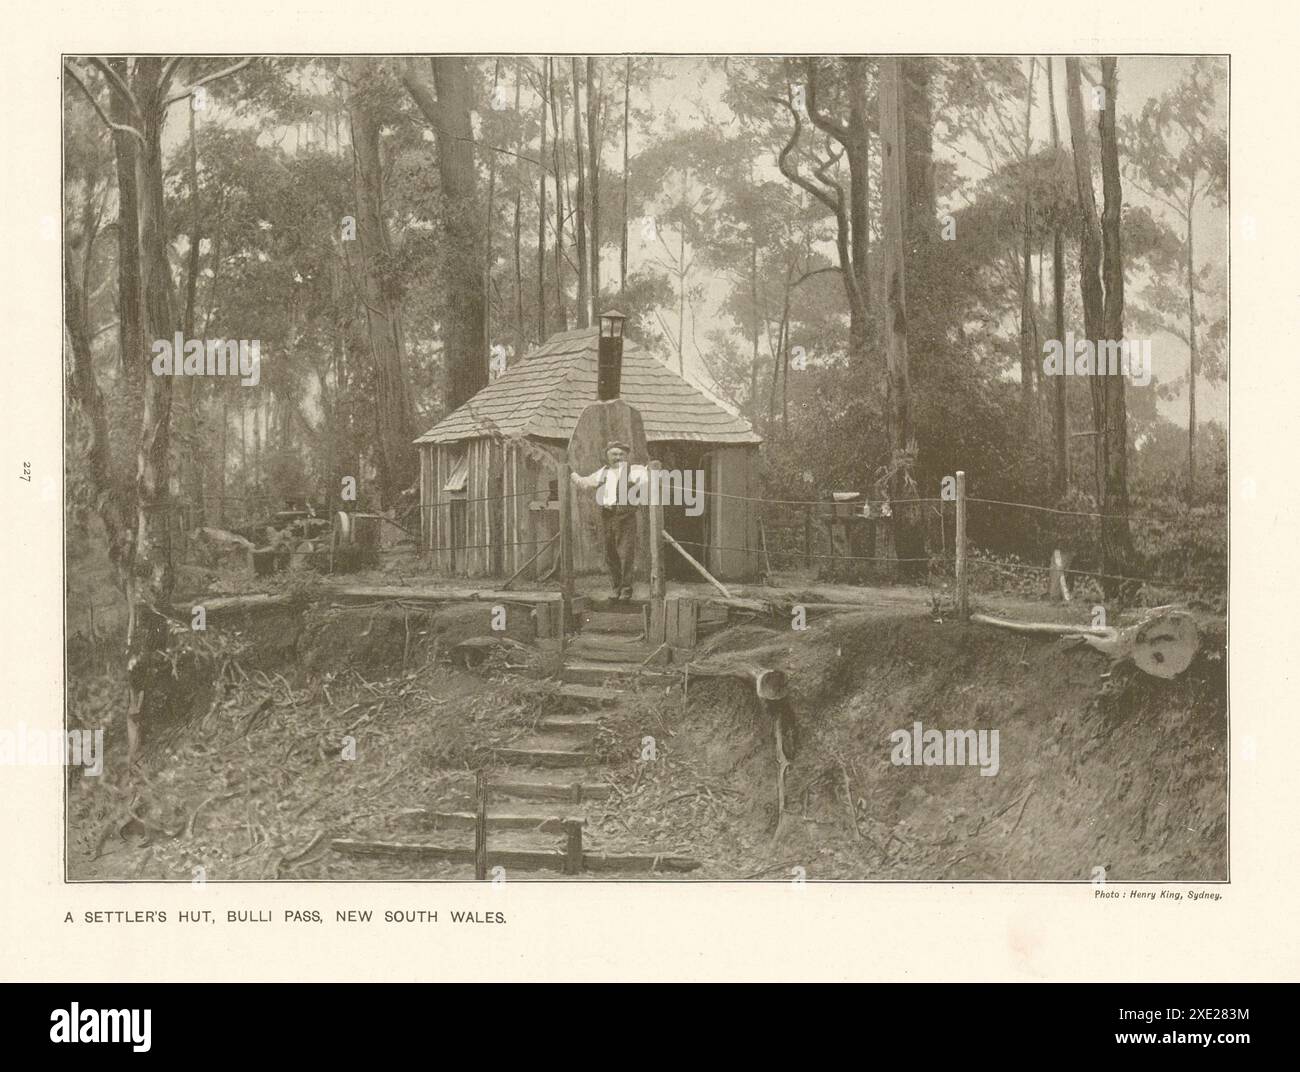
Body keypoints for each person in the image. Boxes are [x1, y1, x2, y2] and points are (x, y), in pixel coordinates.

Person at [570, 441, 645, 601]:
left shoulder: (635, 471)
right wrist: (571, 473)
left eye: (621, 454)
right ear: (607, 456)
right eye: (614, 454)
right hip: (607, 516)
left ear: (626, 456)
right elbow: (584, 483)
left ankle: (626, 590)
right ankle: (616, 588)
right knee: (609, 553)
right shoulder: (602, 472)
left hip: (625, 516)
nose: (617, 457)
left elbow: (647, 481)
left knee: (625, 553)